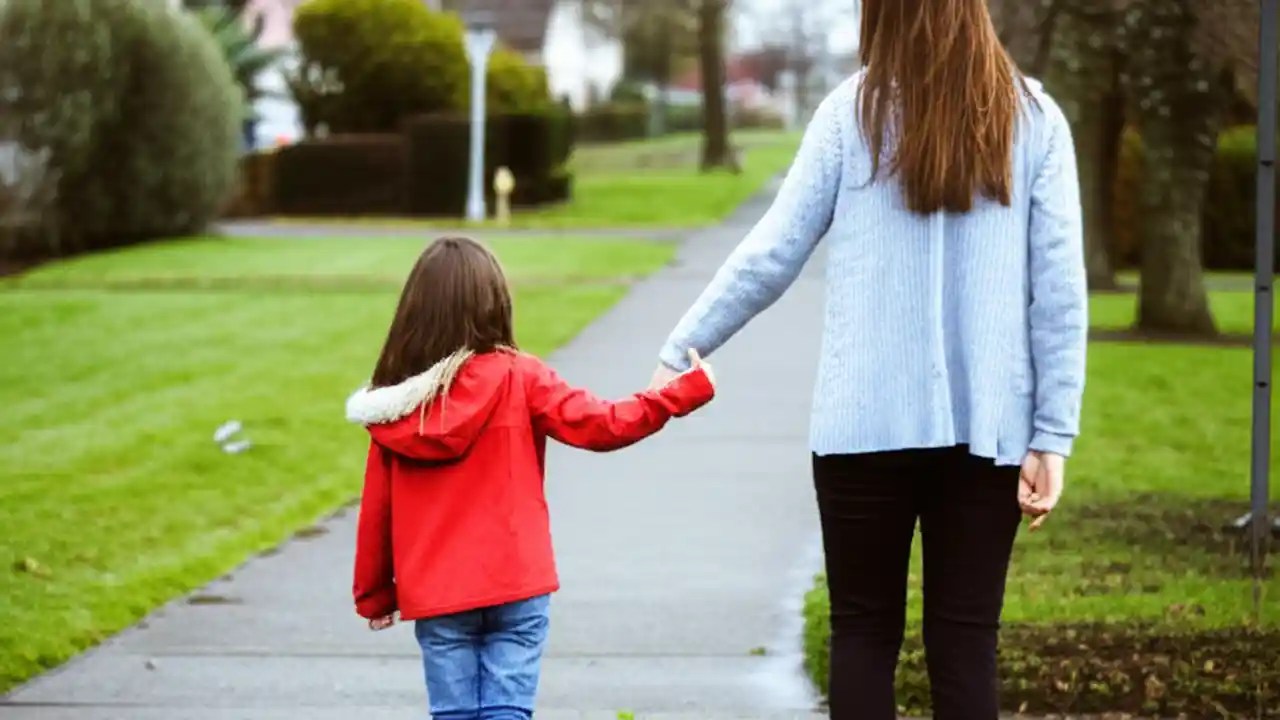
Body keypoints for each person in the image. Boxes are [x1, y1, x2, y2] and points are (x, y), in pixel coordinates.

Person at [649, 0, 1087, 716]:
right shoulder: (1035, 119)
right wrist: (1051, 434)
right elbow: (1060, 294)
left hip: (862, 428)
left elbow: (773, 252)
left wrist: (683, 346)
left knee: (863, 634)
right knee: (966, 643)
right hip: (989, 435)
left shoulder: (849, 114)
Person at [347, 237, 716, 720]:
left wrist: (374, 594)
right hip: (517, 581)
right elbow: (602, 424)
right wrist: (676, 394)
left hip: (437, 593)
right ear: (494, 303)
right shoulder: (520, 376)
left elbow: (378, 508)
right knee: (508, 712)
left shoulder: (398, 406)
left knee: (454, 715)